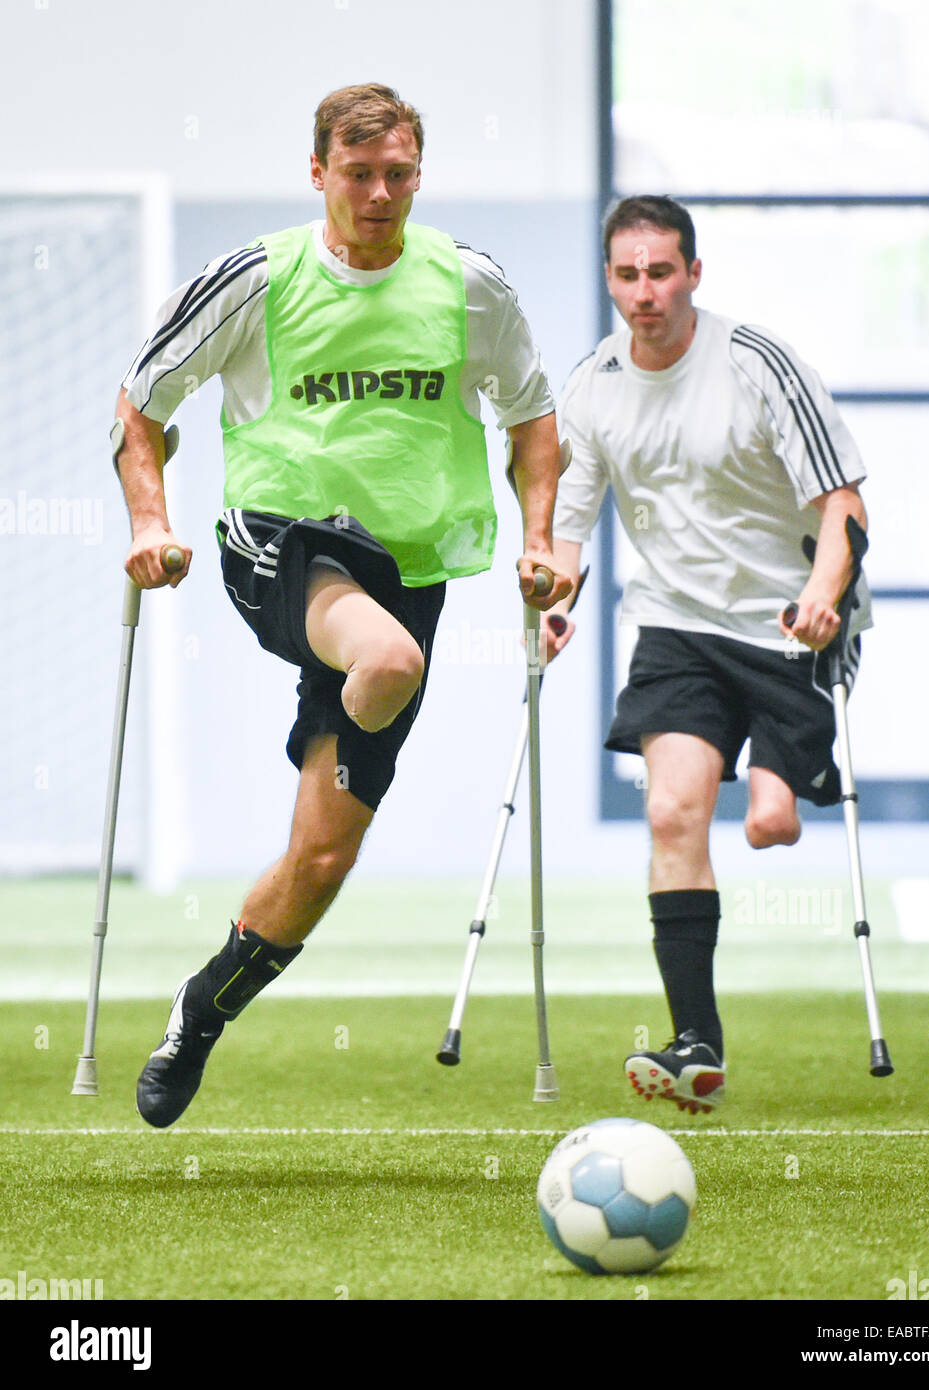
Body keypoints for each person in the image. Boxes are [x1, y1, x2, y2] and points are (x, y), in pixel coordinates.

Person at [116, 82, 571, 1128]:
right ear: (316, 173)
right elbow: (143, 405)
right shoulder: (257, 279)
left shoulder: (470, 285)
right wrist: (150, 520)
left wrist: (539, 540)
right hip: (277, 542)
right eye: (357, 173)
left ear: (419, 173)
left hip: (407, 572)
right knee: (388, 666)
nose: (378, 193)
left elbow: (533, 420)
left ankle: (201, 1008)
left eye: (398, 173)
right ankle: (358, 675)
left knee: (321, 857)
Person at [544, 194, 871, 1113]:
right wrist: (552, 600)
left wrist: (822, 596)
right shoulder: (596, 384)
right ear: (609, 279)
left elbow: (842, 507)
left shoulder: (756, 365)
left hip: (785, 619)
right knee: (671, 813)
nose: (643, 292)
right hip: (676, 627)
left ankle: (780, 785)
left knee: (768, 822)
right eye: (626, 274)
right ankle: (697, 1041)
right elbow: (568, 524)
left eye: (660, 272)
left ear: (693, 272)